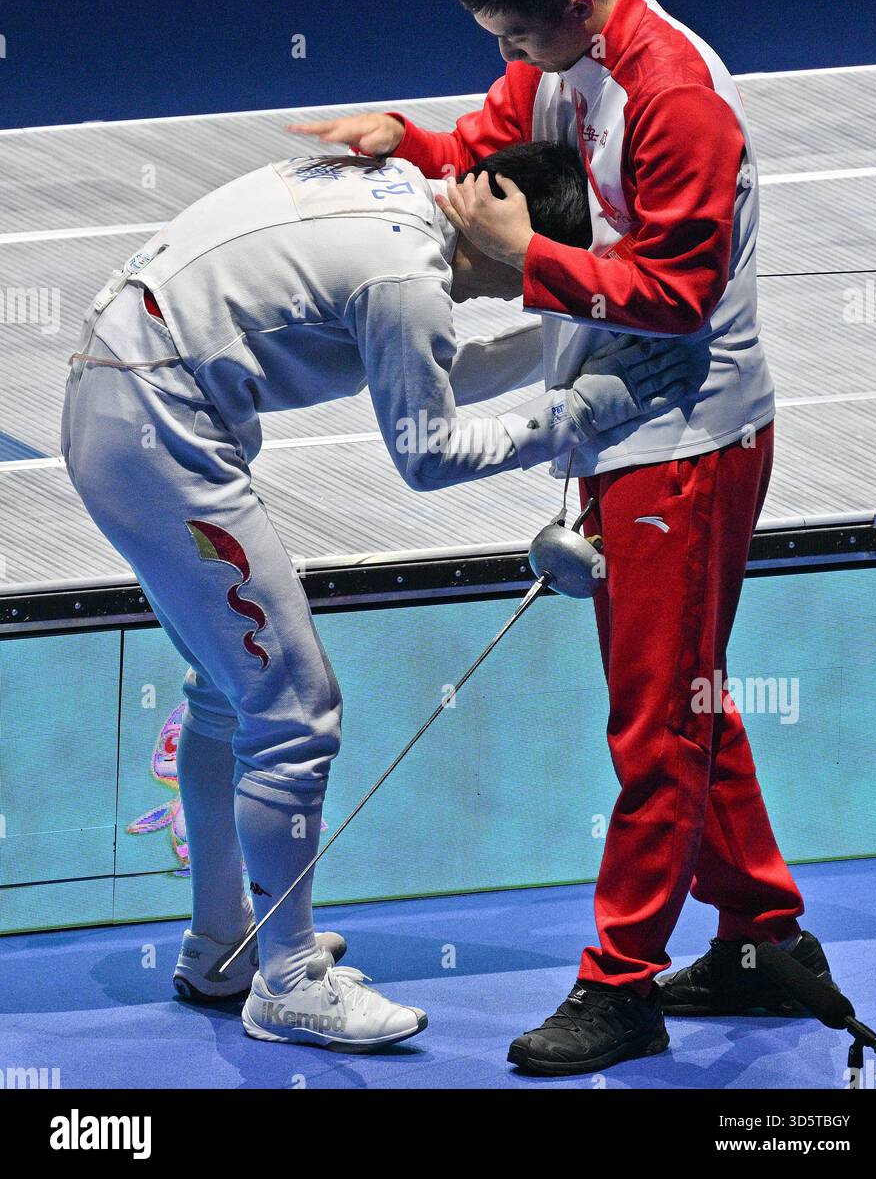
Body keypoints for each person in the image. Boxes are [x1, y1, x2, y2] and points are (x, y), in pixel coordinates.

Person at [295, 0, 835, 1076]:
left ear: (579, 11)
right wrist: (405, 140)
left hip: (686, 439)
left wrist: (522, 260)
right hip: (618, 420)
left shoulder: (676, 96)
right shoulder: (557, 59)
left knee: (657, 723)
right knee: (686, 693)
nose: (513, 60)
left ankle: (620, 984)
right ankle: (764, 939)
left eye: (521, 40)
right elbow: (491, 142)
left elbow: (678, 292)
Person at [61, 140, 690, 1054]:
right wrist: (587, 411)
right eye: (542, 274)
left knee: (227, 695)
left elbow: (420, 364)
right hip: (160, 435)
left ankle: (221, 944)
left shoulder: (402, 200)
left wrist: (558, 345)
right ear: (515, 239)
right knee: (295, 713)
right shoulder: (405, 275)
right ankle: (290, 983)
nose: (532, 289)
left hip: (117, 396)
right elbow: (429, 451)